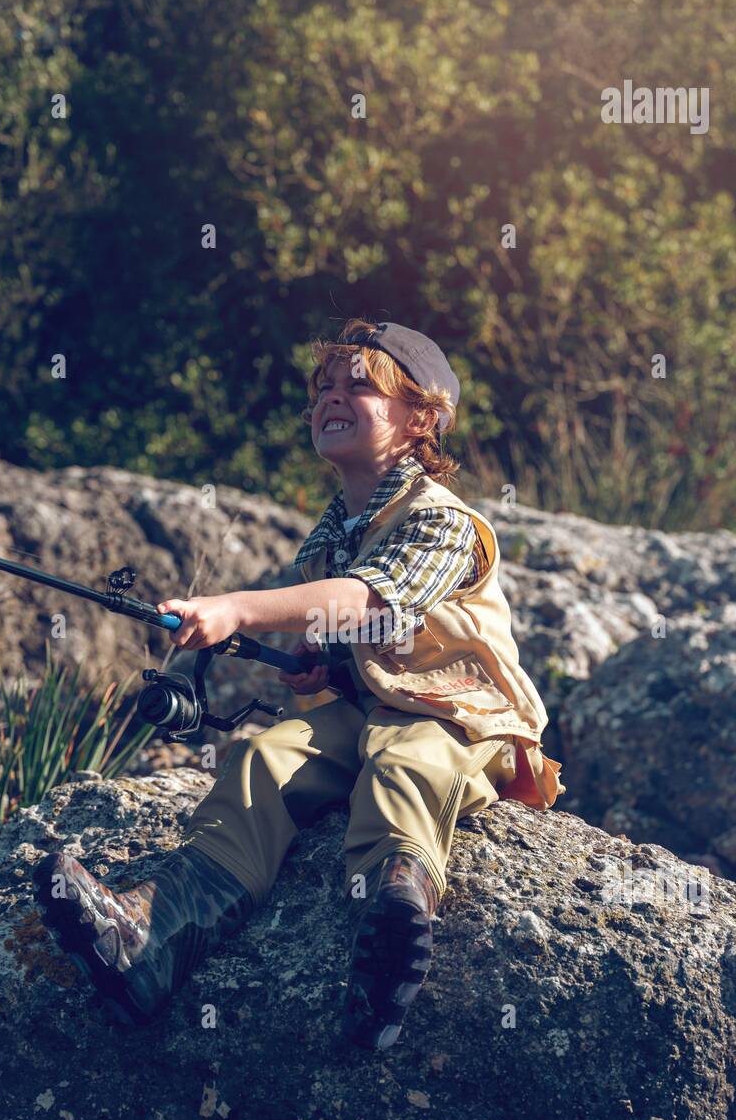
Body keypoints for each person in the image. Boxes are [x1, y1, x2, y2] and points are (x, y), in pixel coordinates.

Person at [34, 319, 564, 1050]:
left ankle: (393, 925)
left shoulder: (445, 521)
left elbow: (370, 601)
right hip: (370, 711)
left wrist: (236, 608)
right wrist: (324, 668)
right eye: (324, 386)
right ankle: (150, 941)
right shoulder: (328, 537)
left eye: (360, 385)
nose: (331, 398)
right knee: (262, 758)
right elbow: (343, 629)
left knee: (406, 763)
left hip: (462, 717)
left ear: (421, 420)